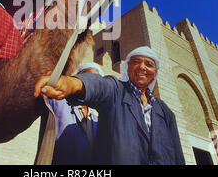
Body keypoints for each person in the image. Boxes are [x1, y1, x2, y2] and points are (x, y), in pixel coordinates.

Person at [35, 46, 185, 165]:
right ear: (127, 68)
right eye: (136, 61)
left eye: (149, 64)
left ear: (155, 73)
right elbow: (99, 85)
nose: (142, 67)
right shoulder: (116, 90)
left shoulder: (165, 111)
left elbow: (177, 155)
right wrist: (71, 83)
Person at [48, 62, 104, 165]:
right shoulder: (59, 101)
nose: (90, 84)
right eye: (86, 78)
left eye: (96, 81)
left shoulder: (98, 119)